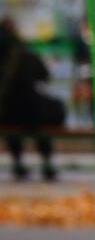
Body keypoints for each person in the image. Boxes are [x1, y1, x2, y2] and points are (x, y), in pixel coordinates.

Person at [0, 16, 65, 181]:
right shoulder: (24, 52)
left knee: (12, 126)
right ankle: (47, 163)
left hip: (6, 109)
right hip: (31, 108)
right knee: (41, 124)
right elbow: (44, 76)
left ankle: (18, 163)